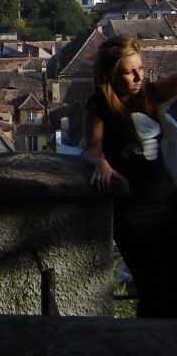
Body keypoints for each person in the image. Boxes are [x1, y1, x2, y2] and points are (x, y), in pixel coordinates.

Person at [84, 35, 177, 317]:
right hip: (133, 211)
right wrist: (101, 163)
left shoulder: (148, 96)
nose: (139, 77)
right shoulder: (100, 106)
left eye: (141, 69)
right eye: (130, 71)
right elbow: (90, 150)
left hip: (168, 203)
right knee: (153, 287)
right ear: (111, 74)